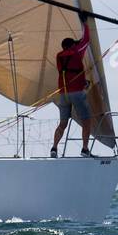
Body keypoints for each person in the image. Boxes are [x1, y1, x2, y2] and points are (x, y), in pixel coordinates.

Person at [51, 12, 93, 158]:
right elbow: (86, 40)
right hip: (76, 93)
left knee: (63, 123)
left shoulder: (59, 56)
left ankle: (54, 148)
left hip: (63, 94)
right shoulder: (76, 52)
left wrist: (83, 81)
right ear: (71, 46)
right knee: (86, 120)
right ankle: (85, 149)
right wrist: (84, 23)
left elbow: (71, 72)